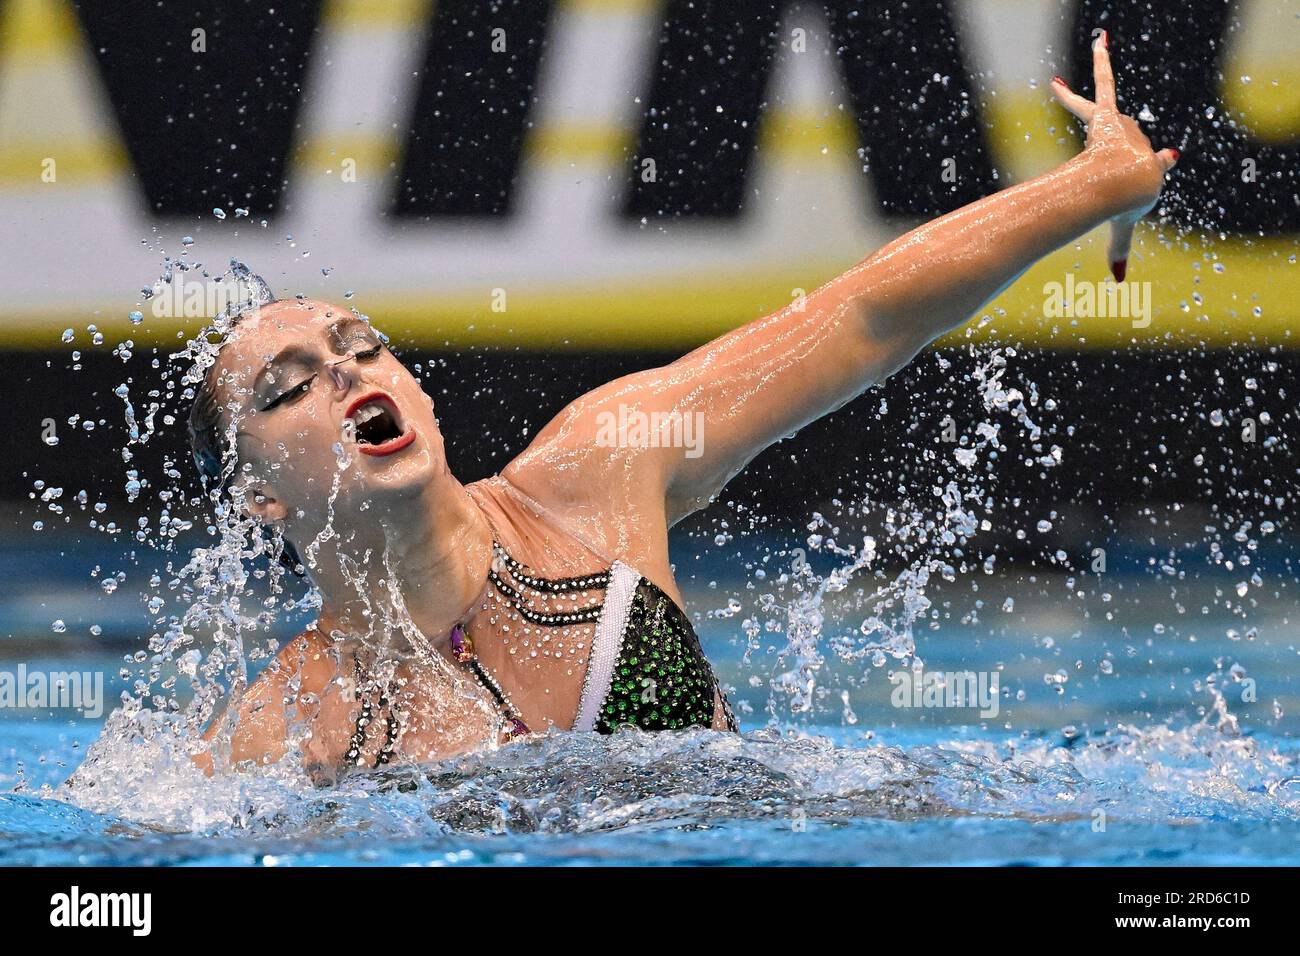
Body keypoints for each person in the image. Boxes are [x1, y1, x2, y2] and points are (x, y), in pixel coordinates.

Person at [190, 33, 1177, 775]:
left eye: (363, 347)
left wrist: (1093, 186)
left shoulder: (598, 466)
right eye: (289, 387)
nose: (349, 374)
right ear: (255, 495)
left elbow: (861, 318)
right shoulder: (276, 737)